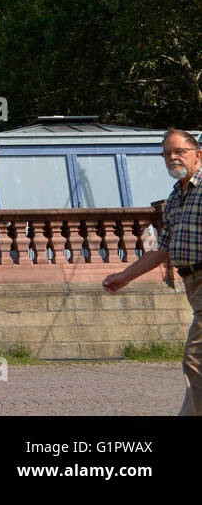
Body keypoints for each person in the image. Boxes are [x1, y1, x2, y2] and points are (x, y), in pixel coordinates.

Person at [104, 128, 202, 415]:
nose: (172, 158)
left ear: (198, 154)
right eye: (166, 154)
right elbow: (164, 249)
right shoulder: (174, 198)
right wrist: (125, 277)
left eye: (178, 151)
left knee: (196, 360)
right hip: (192, 284)